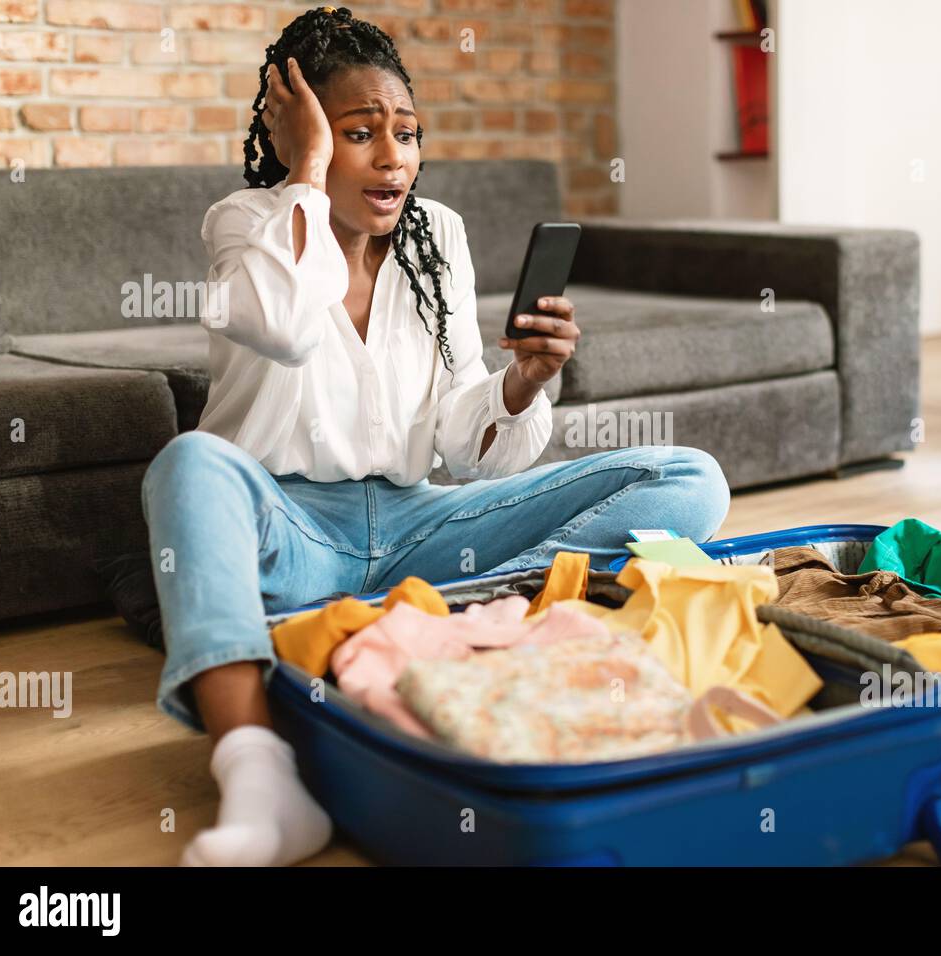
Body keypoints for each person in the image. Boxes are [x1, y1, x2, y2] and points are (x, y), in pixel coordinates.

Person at [141, 5, 730, 866]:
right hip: (291, 532)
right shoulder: (246, 225)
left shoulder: (436, 237)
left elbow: (463, 440)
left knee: (689, 478)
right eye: (358, 133)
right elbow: (284, 327)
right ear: (301, 134)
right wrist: (305, 169)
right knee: (187, 463)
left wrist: (523, 382)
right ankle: (257, 772)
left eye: (407, 133)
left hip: (426, 528)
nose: (393, 158)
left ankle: (430, 620)